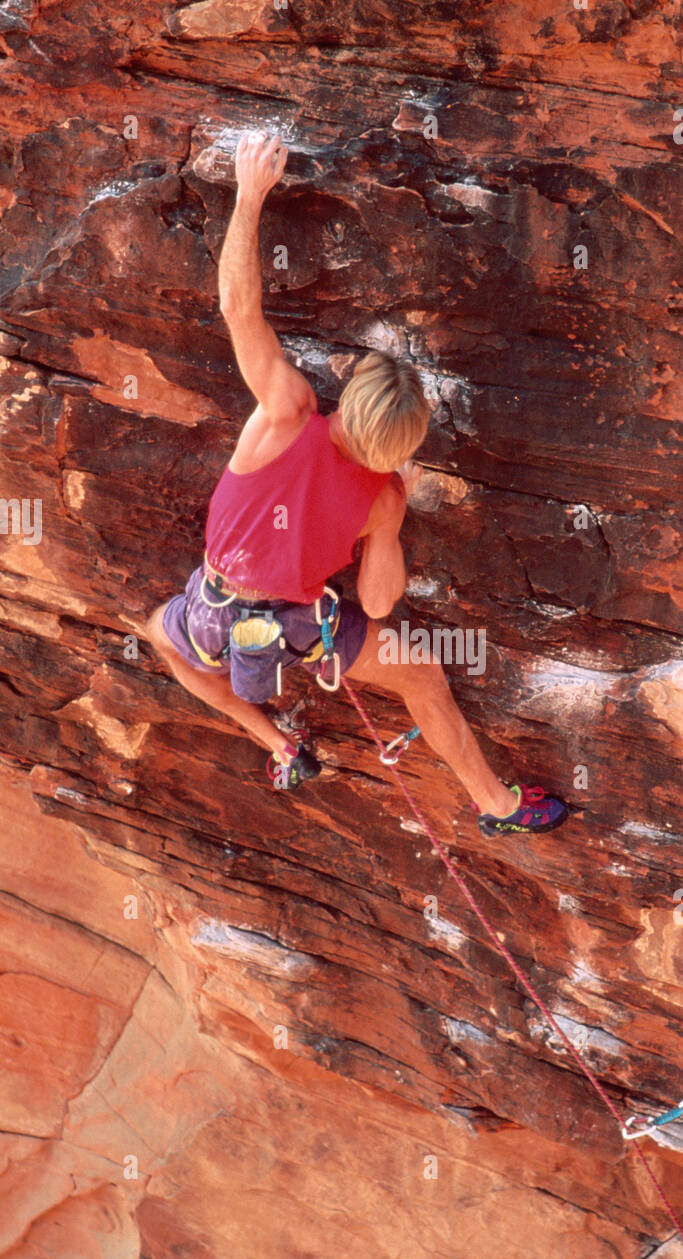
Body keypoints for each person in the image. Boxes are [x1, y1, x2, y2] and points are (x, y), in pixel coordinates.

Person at [145, 131, 567, 836]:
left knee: (157, 636)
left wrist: (250, 195)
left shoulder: (286, 414)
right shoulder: (384, 497)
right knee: (424, 678)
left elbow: (238, 312)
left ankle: (278, 744)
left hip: (214, 617)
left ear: (352, 390)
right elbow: (374, 599)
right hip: (303, 632)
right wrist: (389, 517)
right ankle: (496, 805)